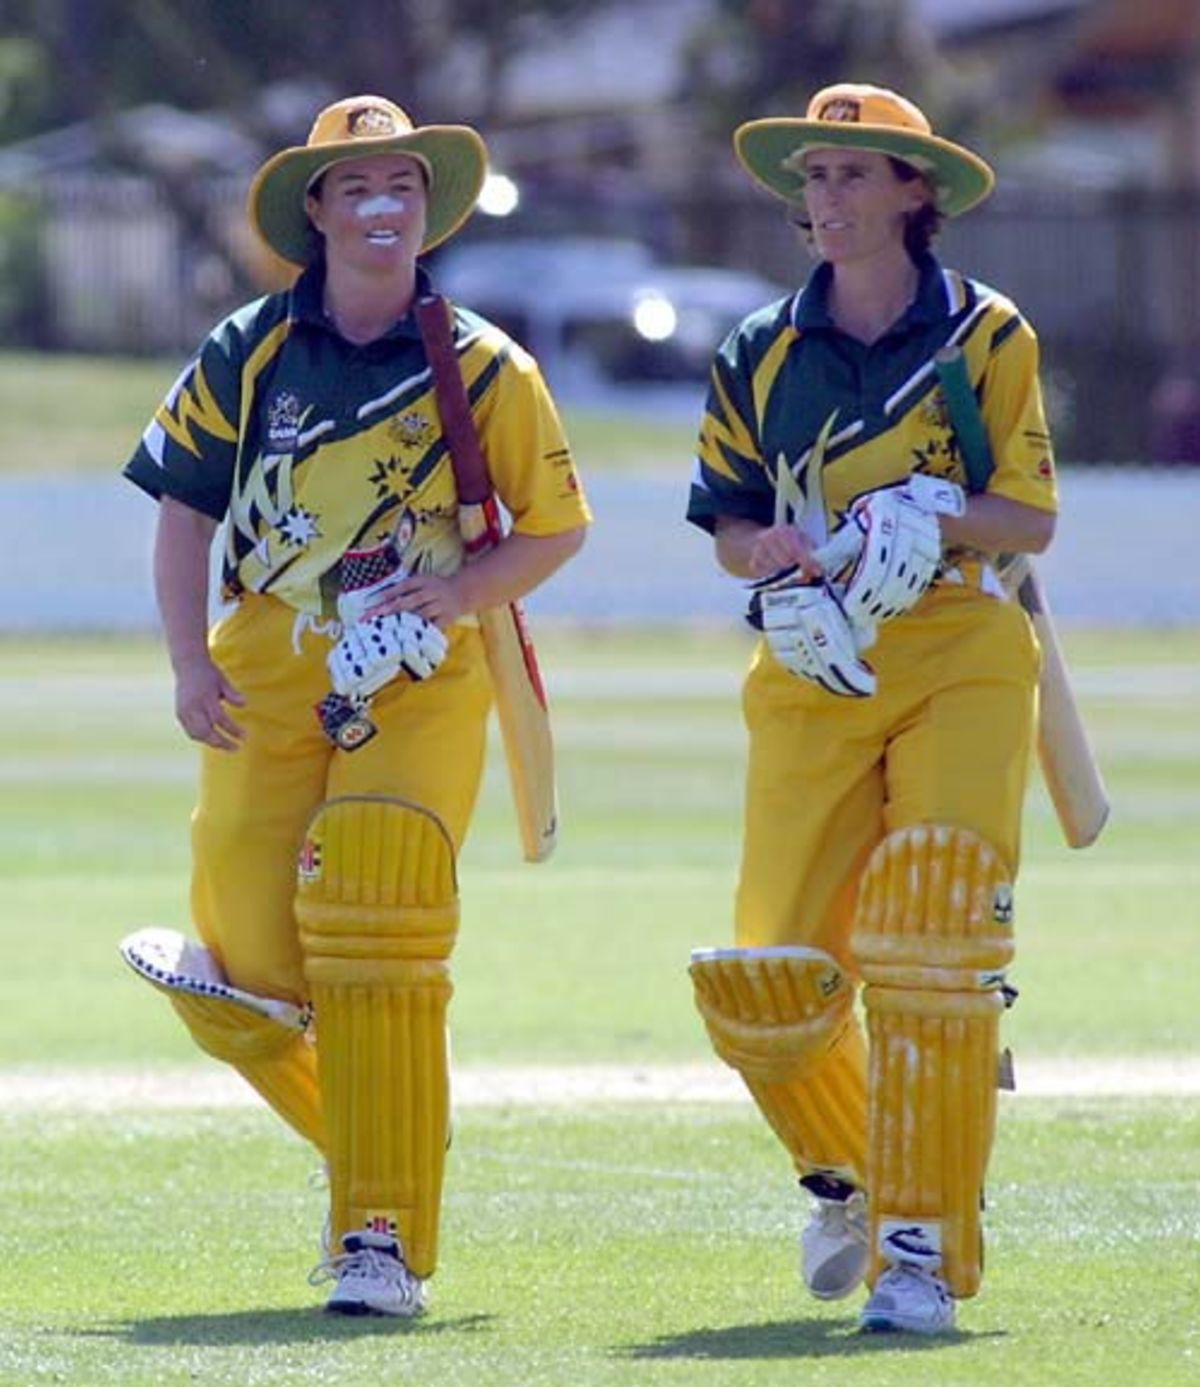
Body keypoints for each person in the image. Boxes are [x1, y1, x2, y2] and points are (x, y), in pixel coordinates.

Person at [119, 94, 590, 1317]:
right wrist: (188, 662)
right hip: (268, 655)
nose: (385, 210)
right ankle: (388, 1132)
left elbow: (556, 529)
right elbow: (183, 511)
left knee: (373, 909)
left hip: (419, 668)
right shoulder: (249, 348)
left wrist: (454, 595)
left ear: (428, 211)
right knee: (245, 973)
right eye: (358, 189)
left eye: (405, 189)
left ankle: (378, 1231)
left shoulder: (487, 364)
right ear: (316, 212)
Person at [686, 83, 1057, 1335]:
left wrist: (927, 513)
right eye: (817, 175)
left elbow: (1029, 517)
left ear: (917, 193)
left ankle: (921, 1256)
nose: (826, 196)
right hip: (810, 656)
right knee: (771, 985)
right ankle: (853, 1175)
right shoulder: (759, 351)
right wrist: (774, 561)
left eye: (854, 174)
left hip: (958, 643)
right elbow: (730, 523)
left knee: (935, 937)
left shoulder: (987, 336)